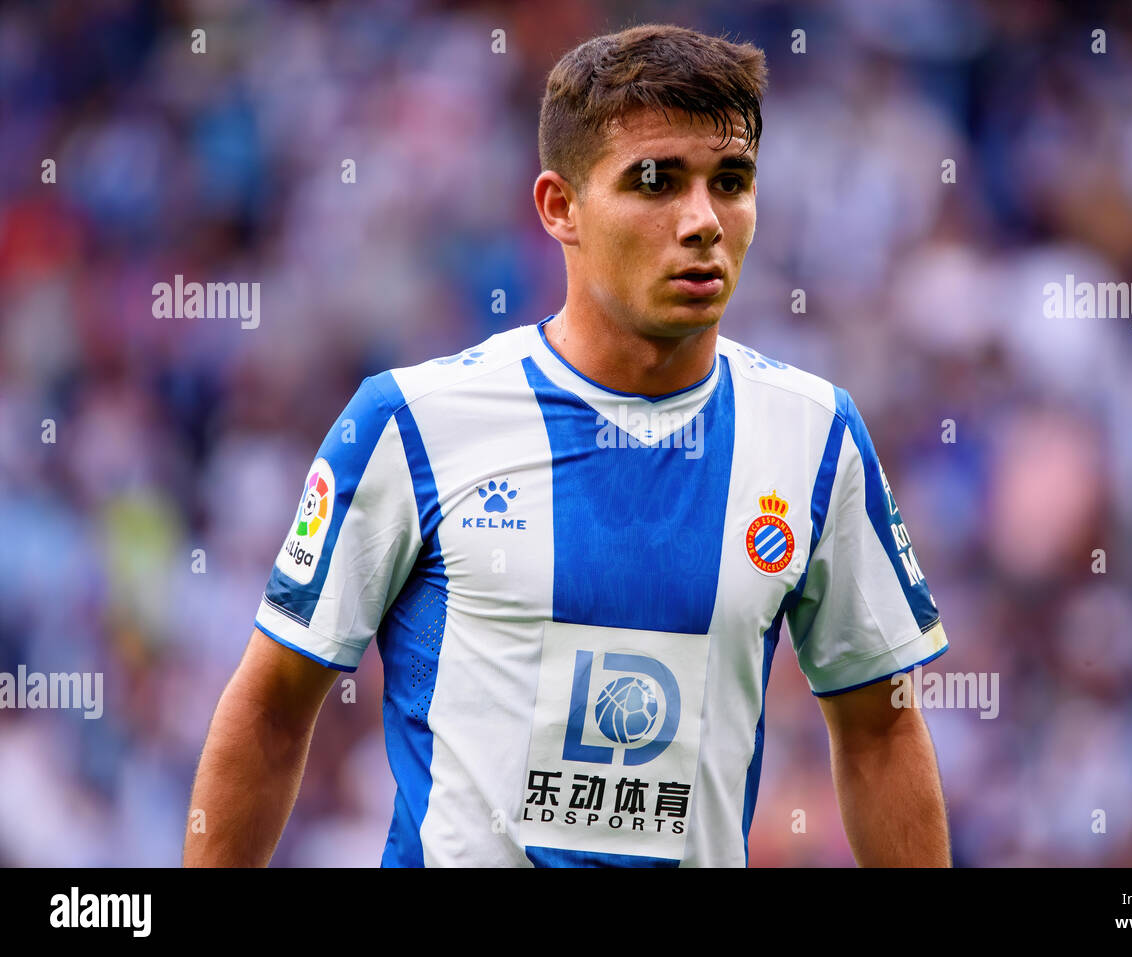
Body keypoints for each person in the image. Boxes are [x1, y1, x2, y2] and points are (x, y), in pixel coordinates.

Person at [184, 22, 951, 868]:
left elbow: (881, 728)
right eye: (655, 182)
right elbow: (271, 707)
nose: (701, 220)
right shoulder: (412, 421)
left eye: (729, 181)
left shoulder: (814, 434)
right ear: (560, 208)